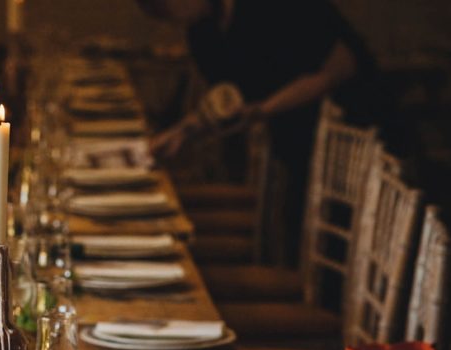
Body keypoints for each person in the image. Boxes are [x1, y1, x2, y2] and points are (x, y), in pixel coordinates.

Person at [137, 0, 391, 265]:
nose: (168, 16)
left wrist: (265, 109)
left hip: (357, 132)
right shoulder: (203, 31)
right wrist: (181, 133)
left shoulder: (271, 7)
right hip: (296, 144)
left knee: (348, 255)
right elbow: (231, 104)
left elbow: (342, 66)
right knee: (301, 247)